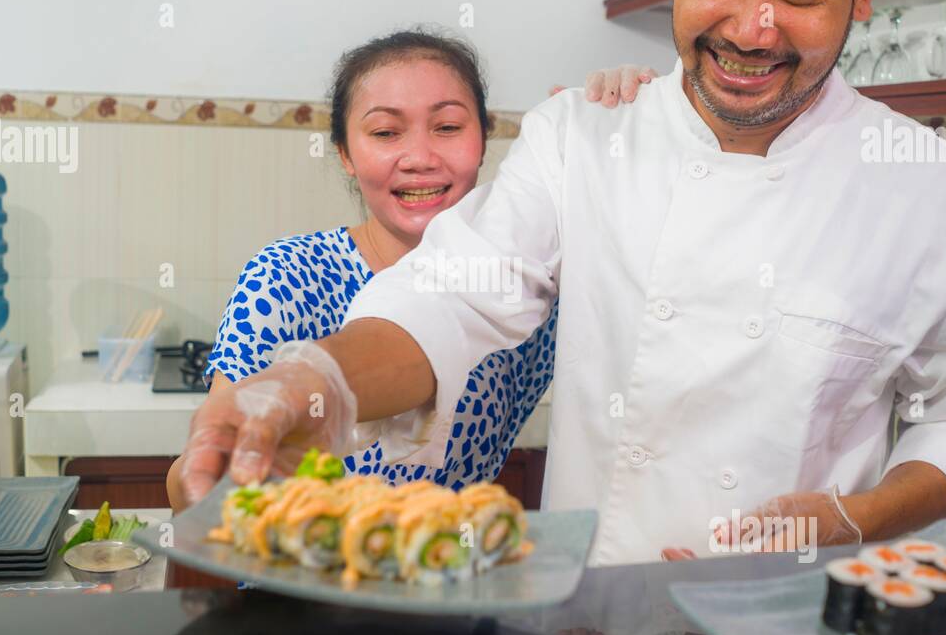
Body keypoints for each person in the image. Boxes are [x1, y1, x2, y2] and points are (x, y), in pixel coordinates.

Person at [177, 0, 946, 566]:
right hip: (597, 621)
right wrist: (310, 380)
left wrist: (856, 519)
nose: (750, 27)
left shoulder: (942, 195)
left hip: (802, 626)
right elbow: (452, 295)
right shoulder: (579, 138)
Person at [166, 29, 654, 509]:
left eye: (447, 127)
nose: (420, 158)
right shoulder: (287, 277)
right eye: (384, 132)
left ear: (484, 139)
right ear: (345, 154)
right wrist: (225, 468)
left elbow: (650, 290)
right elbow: (192, 489)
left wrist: (634, 127)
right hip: (299, 583)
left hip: (448, 577)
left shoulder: (528, 289)